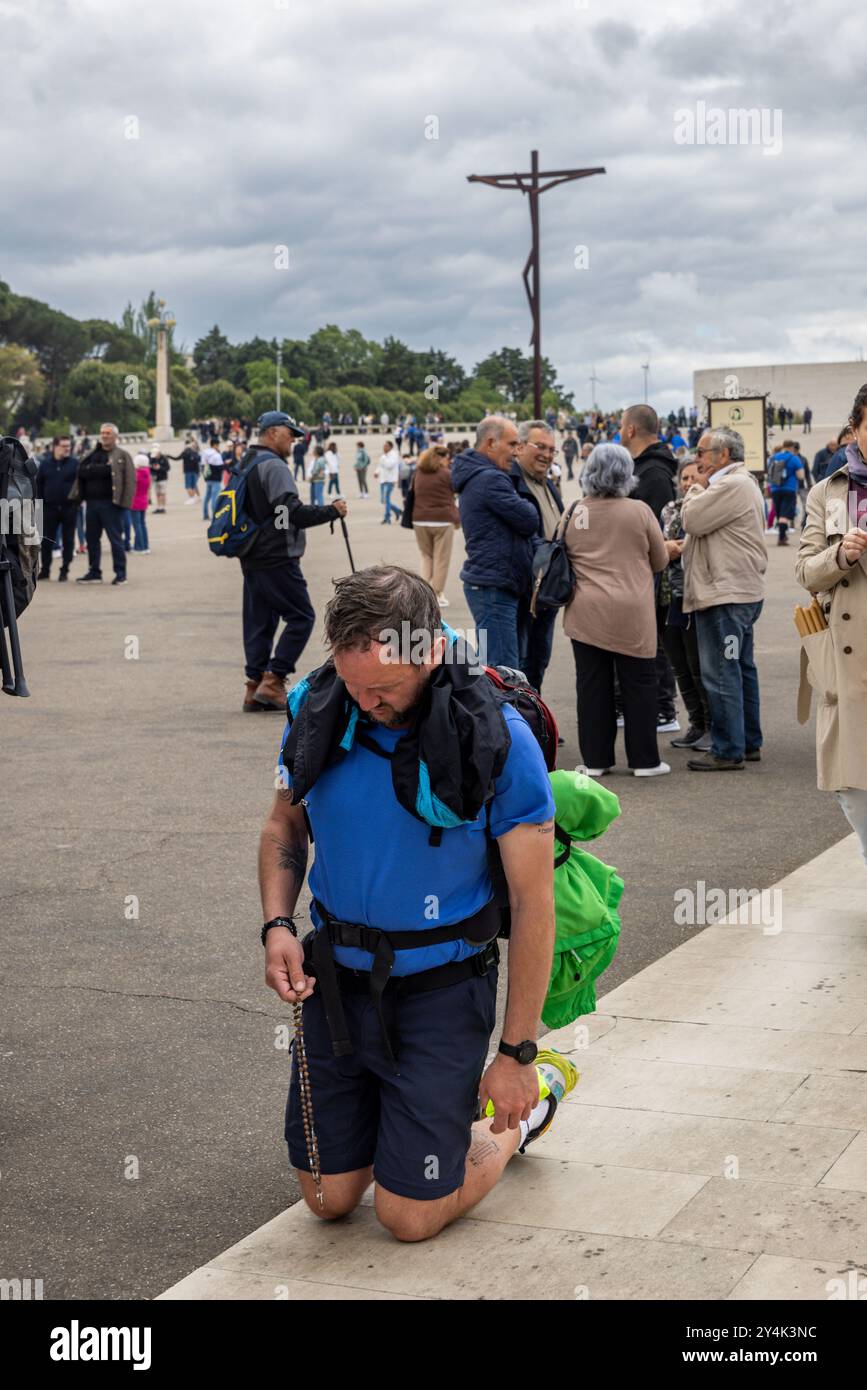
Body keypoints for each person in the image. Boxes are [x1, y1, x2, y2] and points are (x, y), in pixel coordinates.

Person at [262, 565, 574, 1241]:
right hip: (336, 984)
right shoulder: (317, 710)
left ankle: (534, 1102)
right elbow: (284, 824)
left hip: (440, 988)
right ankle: (402, 1123)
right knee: (327, 1197)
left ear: (430, 653)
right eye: (351, 683)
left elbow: (531, 900)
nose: (364, 702)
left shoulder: (496, 738)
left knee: (408, 1217)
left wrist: (517, 1052)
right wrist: (278, 924)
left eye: (381, 688)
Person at [557, 444, 671, 777]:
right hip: (632, 610)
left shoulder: (575, 510)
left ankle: (595, 760)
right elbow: (660, 559)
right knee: (640, 685)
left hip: (585, 610)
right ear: (626, 473)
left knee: (592, 685)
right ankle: (645, 760)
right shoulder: (639, 511)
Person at [795, 383, 867, 863]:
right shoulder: (829, 491)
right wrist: (840, 554)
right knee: (854, 789)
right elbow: (804, 570)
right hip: (850, 656)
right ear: (856, 429)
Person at [239, 412, 347, 713]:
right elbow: (289, 512)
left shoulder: (247, 462)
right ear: (273, 432)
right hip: (276, 554)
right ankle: (274, 680)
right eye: (290, 433)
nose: (294, 440)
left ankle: (253, 685)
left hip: (251, 554)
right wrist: (331, 511)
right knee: (302, 616)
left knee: (261, 619)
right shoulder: (274, 465)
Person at [680, 426, 767, 771]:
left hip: (725, 597)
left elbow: (692, 519)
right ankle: (746, 742)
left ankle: (728, 748)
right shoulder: (741, 483)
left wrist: (693, 491)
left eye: (702, 452)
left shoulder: (732, 484)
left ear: (723, 455)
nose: (696, 459)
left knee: (721, 671)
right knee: (740, 667)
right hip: (736, 593)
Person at [452, 416, 538, 670]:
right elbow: (530, 519)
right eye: (511, 444)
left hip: (491, 583)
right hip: (494, 585)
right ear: (491, 443)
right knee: (503, 672)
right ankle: (500, 712)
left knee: (496, 665)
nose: (515, 452)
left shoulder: (478, 475)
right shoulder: (491, 479)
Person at [619, 404, 679, 733]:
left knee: (653, 640)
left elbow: (656, 527)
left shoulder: (652, 471)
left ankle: (663, 709)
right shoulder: (649, 466)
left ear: (630, 430)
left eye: (620, 426)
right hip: (643, 568)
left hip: (652, 569)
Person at [659, 458, 712, 751]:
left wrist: (676, 546)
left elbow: (686, 542)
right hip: (670, 596)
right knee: (679, 664)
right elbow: (667, 541)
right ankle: (696, 723)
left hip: (696, 596)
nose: (689, 483)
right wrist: (675, 546)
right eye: (685, 478)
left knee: (698, 665)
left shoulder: (709, 505)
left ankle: (709, 724)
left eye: (694, 477)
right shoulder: (670, 508)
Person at [512, 421, 564, 692]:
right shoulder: (510, 481)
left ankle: (536, 719)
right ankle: (523, 724)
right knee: (520, 661)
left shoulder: (547, 484)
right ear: (519, 447)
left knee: (539, 657)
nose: (547, 454)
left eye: (552, 450)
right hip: (525, 588)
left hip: (547, 589)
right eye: (540, 447)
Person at [70, 422, 135, 585]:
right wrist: (100, 470)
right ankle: (94, 572)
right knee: (92, 540)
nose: (105, 436)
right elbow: (82, 472)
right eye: (103, 433)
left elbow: (130, 481)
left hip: (112, 505)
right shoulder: (91, 454)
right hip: (91, 504)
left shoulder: (122, 455)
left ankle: (121, 574)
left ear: (115, 436)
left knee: (115, 540)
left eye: (108, 433)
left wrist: (124, 504)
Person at [411, 444, 460, 608]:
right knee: (441, 559)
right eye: (447, 458)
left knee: (426, 556)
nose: (449, 461)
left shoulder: (418, 473)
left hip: (420, 519)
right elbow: (455, 493)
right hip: (442, 520)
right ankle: (437, 593)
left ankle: (423, 592)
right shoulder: (446, 474)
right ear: (440, 458)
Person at [35, 435, 78, 581]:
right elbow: (39, 485)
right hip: (49, 508)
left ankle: (64, 569)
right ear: (55, 447)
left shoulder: (74, 463)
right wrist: (40, 506)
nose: (67, 449)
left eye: (69, 446)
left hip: (69, 508)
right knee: (46, 541)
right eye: (64, 446)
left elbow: (80, 484)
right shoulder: (45, 464)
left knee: (68, 540)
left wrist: (76, 503)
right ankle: (45, 570)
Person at [767, 438, 804, 545]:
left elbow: (769, 472)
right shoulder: (794, 458)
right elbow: (800, 476)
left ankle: (783, 534)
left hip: (775, 488)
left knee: (779, 514)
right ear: (792, 447)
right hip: (789, 488)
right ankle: (781, 538)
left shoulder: (773, 457)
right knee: (784, 514)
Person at [129, 450, 152, 553]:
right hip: (143, 500)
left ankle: (140, 546)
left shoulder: (136, 474)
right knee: (142, 524)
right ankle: (145, 545)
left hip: (135, 501)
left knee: (137, 525)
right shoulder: (146, 473)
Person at [375, 440, 402, 524]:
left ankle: (387, 517)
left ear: (391, 447)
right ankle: (398, 511)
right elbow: (380, 465)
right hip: (383, 479)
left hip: (390, 480)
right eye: (384, 446)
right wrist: (376, 472)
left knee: (386, 499)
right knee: (383, 500)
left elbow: (389, 466)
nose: (384, 447)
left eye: (386, 446)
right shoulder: (384, 456)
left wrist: (383, 459)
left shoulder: (394, 455)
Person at [170, 435, 201, 503]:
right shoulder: (195, 452)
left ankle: (192, 498)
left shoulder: (186, 452)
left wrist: (169, 456)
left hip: (188, 471)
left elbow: (177, 458)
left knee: (189, 485)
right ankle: (195, 497)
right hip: (195, 470)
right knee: (193, 485)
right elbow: (199, 460)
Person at [199, 437, 224, 521]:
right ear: (215, 445)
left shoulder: (205, 453)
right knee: (214, 497)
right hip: (216, 479)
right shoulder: (216, 455)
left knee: (207, 497)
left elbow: (202, 465)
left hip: (208, 478)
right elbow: (220, 467)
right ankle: (215, 515)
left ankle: (205, 514)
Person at [148, 446, 170, 512]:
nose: (155, 456)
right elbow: (150, 467)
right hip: (155, 479)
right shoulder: (152, 458)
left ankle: (163, 507)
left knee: (162, 493)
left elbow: (168, 468)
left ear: (159, 453)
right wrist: (152, 467)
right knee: (157, 493)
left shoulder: (164, 458)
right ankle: (158, 507)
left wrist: (160, 468)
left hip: (163, 479)